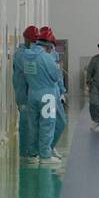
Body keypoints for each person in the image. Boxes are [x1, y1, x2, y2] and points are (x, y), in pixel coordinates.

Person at [25, 29, 65, 167]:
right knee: (47, 125)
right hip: (47, 95)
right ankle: (45, 156)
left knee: (33, 125)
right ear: (48, 46)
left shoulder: (26, 55)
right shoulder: (47, 58)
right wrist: (58, 68)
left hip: (32, 94)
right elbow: (55, 76)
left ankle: (32, 154)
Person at [36, 27, 68, 156]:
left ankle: (49, 147)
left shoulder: (53, 54)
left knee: (59, 122)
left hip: (53, 92)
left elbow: (58, 75)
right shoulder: (35, 55)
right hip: (44, 92)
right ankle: (43, 151)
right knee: (45, 124)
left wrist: (61, 91)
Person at [12, 25, 39, 163]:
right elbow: (30, 72)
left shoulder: (31, 53)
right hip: (24, 96)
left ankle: (32, 151)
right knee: (25, 124)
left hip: (32, 95)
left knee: (33, 124)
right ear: (26, 39)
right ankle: (25, 153)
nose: (35, 43)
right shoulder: (21, 54)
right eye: (33, 40)